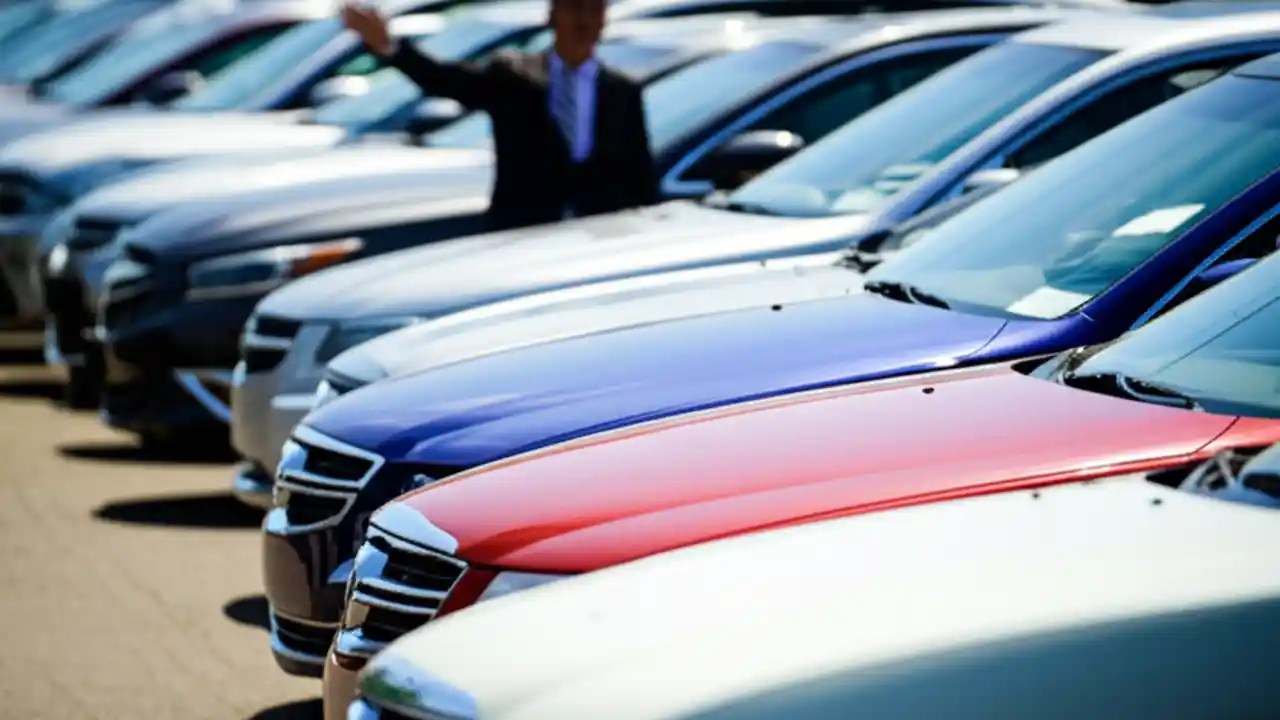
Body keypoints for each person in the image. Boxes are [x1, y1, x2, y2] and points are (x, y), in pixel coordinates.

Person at [341, 0, 658, 229]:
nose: (584, 21)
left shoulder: (621, 91)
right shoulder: (515, 75)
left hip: (596, 237)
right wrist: (391, 47)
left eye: (595, 10)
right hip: (521, 232)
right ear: (553, 14)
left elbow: (639, 176)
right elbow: (446, 79)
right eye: (575, 8)